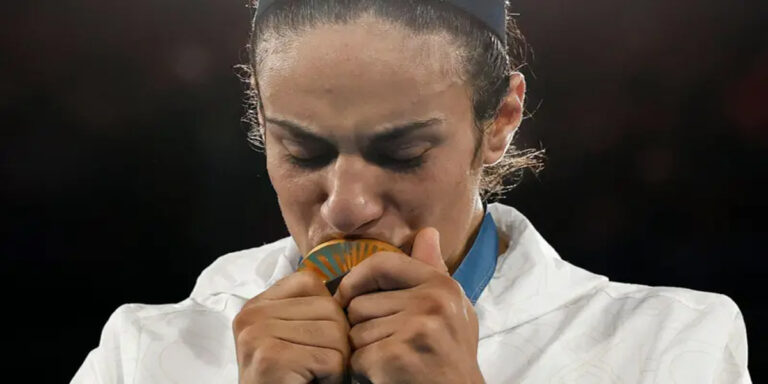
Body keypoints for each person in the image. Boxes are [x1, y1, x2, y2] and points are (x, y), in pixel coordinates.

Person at [72, 0, 751, 382]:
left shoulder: (667, 347)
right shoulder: (147, 353)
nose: (345, 203)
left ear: (501, 122)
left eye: (400, 153)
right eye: (302, 149)